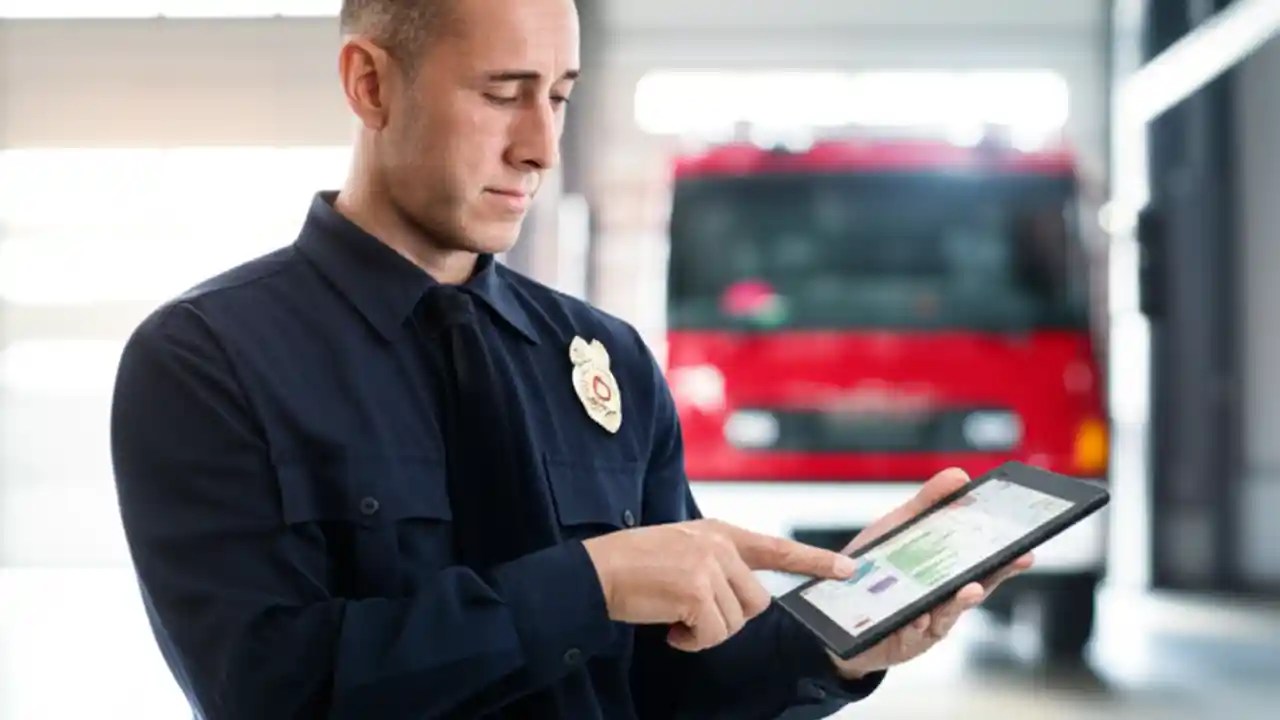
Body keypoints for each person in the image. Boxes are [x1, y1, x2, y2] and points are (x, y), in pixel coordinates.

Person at [108, 0, 1031, 717]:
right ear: (370, 85)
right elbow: (264, 692)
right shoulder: (206, 361)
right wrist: (586, 586)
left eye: (559, 96)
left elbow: (671, 691)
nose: (540, 146)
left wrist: (836, 638)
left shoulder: (607, 362)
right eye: (501, 93)